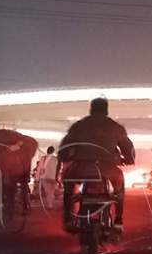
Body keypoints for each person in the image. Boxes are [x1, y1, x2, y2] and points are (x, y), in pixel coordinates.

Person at [57, 97, 135, 230]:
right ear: (106, 110)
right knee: (119, 190)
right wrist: (128, 159)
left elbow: (65, 146)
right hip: (109, 170)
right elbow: (128, 148)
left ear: (91, 109)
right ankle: (118, 221)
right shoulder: (116, 127)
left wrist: (64, 157)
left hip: (81, 168)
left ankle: (68, 220)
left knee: (68, 188)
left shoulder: (79, 126)